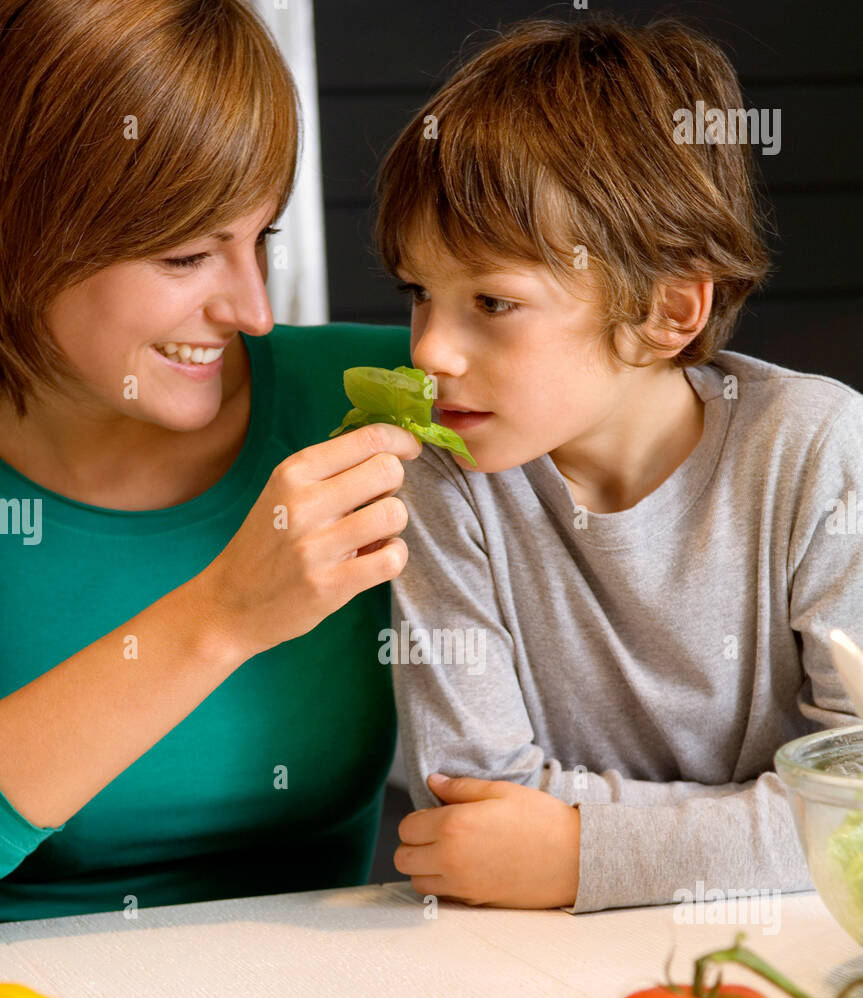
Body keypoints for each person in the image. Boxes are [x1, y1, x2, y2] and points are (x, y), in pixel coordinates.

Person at [378, 14, 863, 911]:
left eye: (491, 300)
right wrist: (756, 826)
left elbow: (857, 811)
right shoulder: (441, 477)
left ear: (667, 311)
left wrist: (577, 853)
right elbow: (469, 803)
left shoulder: (814, 449)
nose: (431, 351)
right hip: (524, 971)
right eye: (418, 293)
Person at [0, 0, 419, 923]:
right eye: (186, 256)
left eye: (260, 239)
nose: (253, 310)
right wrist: (226, 614)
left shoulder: (374, 400)